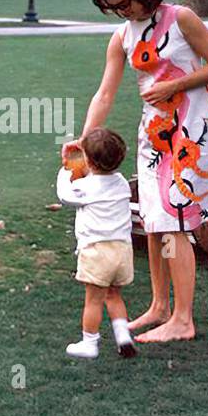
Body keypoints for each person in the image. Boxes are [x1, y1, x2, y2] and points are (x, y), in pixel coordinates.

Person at [63, 0, 208, 342]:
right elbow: (105, 94)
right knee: (152, 221)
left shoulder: (180, 19)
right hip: (154, 135)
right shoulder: (123, 36)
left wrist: (175, 84)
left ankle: (183, 319)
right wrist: (83, 140)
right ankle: (159, 307)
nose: (121, 13)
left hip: (192, 131)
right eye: (113, 8)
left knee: (174, 220)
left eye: (125, 4)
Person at [56, 127, 136, 360]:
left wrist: (65, 171)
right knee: (114, 295)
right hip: (122, 251)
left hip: (97, 252)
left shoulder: (85, 187)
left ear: (88, 161)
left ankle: (89, 343)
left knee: (93, 301)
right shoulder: (121, 182)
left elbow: (65, 195)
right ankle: (123, 338)